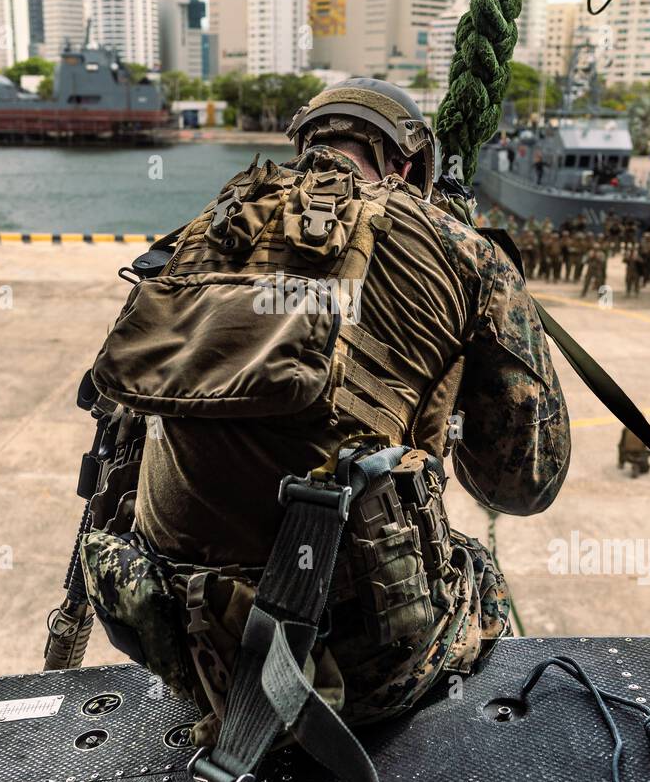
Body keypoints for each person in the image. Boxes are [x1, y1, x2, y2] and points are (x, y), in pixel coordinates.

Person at [86, 78, 572, 744]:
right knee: (476, 573)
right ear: (406, 163)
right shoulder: (463, 251)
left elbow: (120, 438)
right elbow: (522, 486)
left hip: (174, 645)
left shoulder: (198, 232)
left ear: (305, 143)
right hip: (356, 673)